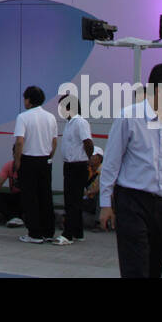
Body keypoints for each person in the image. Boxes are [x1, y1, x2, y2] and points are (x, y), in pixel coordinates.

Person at [99, 64, 162, 278]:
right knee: (135, 268)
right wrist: (105, 204)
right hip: (132, 201)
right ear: (160, 90)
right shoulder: (130, 117)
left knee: (155, 267)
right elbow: (111, 162)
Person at [14, 85, 59, 244]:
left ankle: (34, 233)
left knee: (30, 197)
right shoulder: (51, 117)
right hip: (45, 160)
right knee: (45, 196)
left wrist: (17, 161)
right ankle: (48, 231)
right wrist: (49, 155)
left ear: (28, 100)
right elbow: (54, 141)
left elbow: (20, 142)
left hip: (28, 160)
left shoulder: (23, 117)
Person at [59, 92, 93, 242]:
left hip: (77, 165)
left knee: (72, 200)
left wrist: (88, 158)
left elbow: (88, 142)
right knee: (73, 199)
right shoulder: (69, 123)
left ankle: (68, 234)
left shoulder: (80, 122)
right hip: (69, 165)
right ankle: (78, 232)